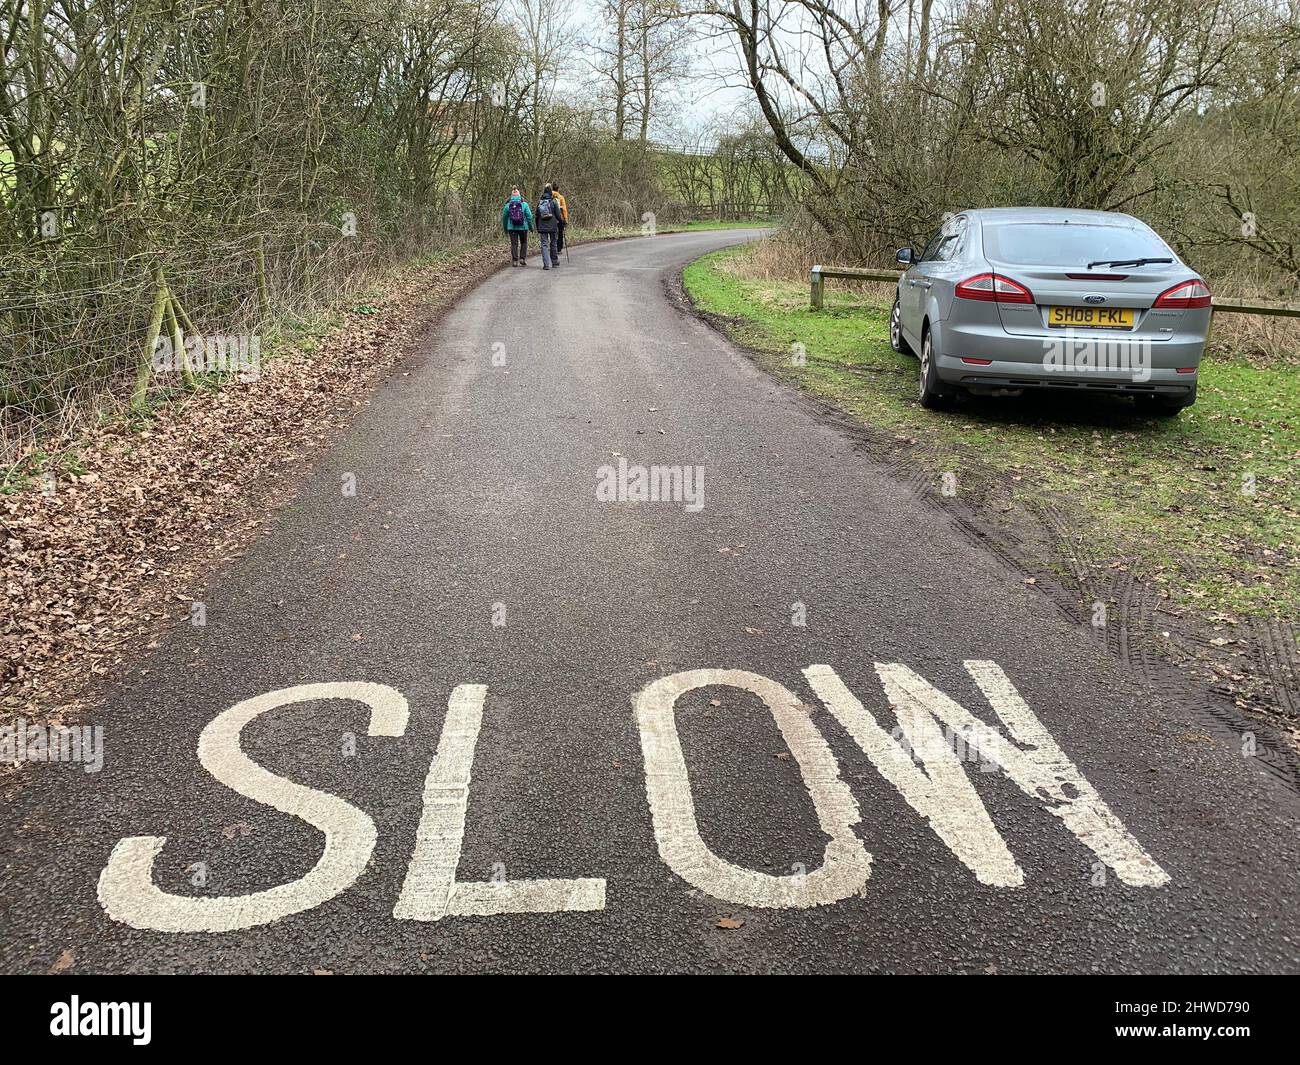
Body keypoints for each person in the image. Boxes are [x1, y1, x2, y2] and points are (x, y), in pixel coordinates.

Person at [501, 185, 533, 266]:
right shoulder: (524, 204)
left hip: (512, 228)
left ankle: (515, 260)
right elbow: (529, 216)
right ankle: (522, 258)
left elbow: (504, 218)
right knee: (524, 242)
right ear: (519, 195)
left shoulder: (507, 205)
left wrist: (505, 229)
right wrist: (530, 227)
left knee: (514, 244)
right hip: (523, 227)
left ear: (511, 196)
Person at [535, 184, 561, 270]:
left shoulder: (540, 202)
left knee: (544, 245)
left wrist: (537, 227)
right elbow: (558, 215)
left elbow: (536, 216)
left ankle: (546, 264)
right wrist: (562, 223)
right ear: (550, 193)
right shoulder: (553, 202)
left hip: (542, 227)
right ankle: (554, 262)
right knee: (553, 243)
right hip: (553, 226)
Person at [552, 182, 569, 256]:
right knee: (560, 233)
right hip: (560, 218)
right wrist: (565, 219)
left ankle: (553, 248)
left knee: (553, 233)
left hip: (551, 218)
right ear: (558, 189)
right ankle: (559, 249)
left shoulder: (550, 197)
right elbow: (564, 209)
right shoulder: (561, 197)